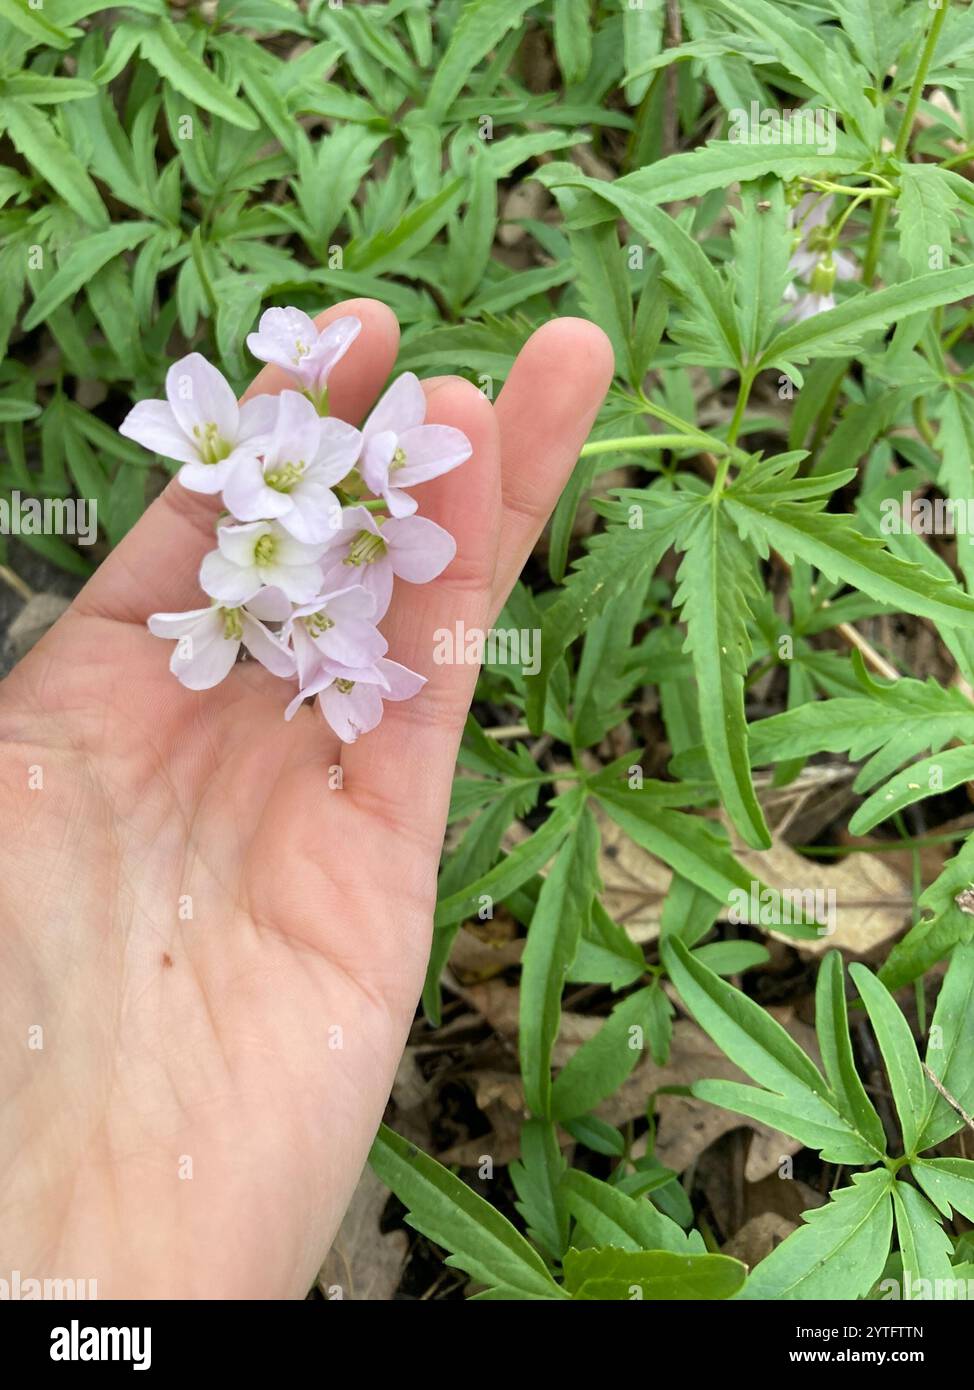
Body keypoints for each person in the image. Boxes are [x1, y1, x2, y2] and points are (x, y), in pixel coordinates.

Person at [0, 299, 614, 1298]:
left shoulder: (332, 513)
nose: (275, 475)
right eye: (272, 472)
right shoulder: (255, 507)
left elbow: (337, 538)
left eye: (281, 471)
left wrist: (338, 537)